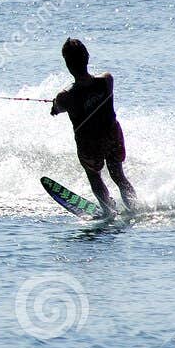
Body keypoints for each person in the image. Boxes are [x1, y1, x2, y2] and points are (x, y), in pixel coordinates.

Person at [50, 37, 137, 217]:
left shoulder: (65, 96)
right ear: (87, 58)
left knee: (94, 175)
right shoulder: (107, 80)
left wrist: (55, 107)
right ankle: (135, 208)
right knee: (118, 175)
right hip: (111, 134)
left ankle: (108, 210)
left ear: (67, 64)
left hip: (89, 143)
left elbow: (57, 109)